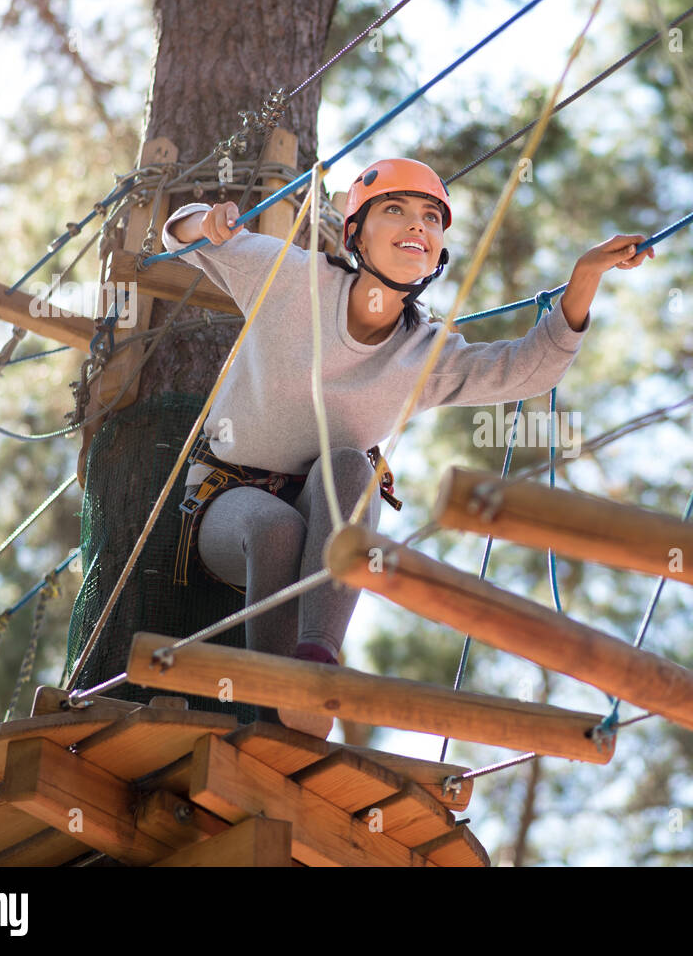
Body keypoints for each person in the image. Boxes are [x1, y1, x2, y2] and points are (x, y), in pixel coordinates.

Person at [163, 157, 652, 738]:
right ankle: (270, 705)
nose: (416, 225)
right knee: (276, 528)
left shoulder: (425, 353)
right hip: (229, 503)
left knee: (349, 465)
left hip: (329, 510)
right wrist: (206, 221)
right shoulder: (291, 280)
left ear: (440, 248)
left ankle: (315, 668)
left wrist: (585, 277)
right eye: (393, 210)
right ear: (355, 237)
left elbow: (525, 370)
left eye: (430, 217)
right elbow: (179, 236)